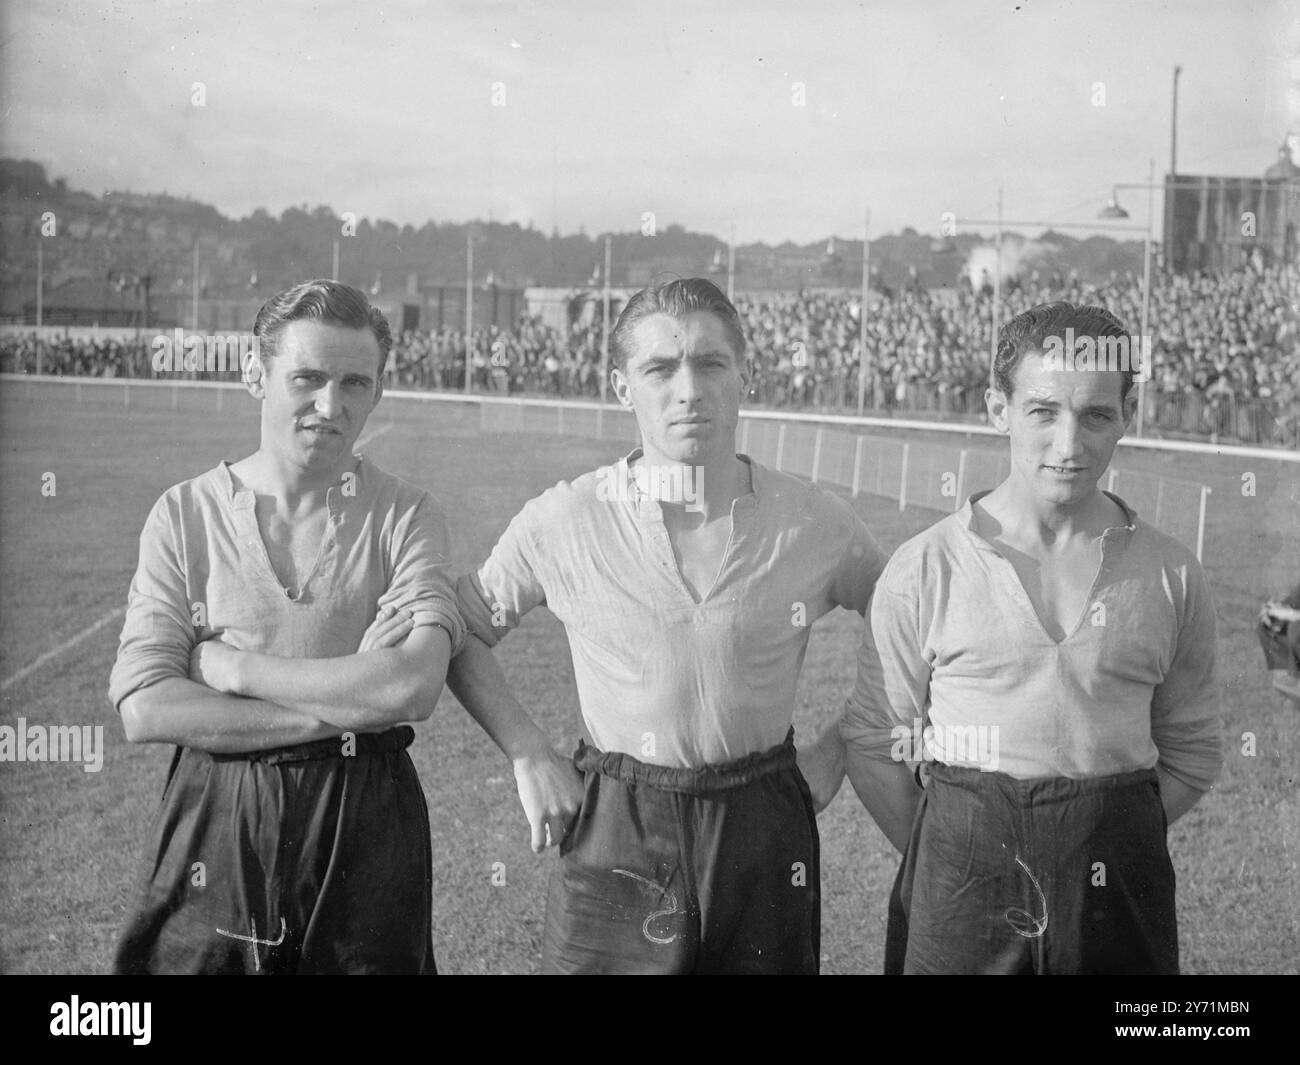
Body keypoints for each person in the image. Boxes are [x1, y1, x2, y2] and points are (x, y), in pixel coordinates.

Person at [447, 277, 884, 974]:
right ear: (623, 386)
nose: (689, 389)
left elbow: (910, 621)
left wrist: (846, 742)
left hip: (762, 818)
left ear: (747, 375)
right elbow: (460, 628)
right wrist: (528, 750)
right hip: (618, 823)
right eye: (660, 368)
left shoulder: (813, 520)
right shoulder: (566, 518)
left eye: (710, 363)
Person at [841, 301, 1224, 975]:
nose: (1069, 444)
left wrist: (1098, 843)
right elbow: (877, 745)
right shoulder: (927, 566)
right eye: (1043, 410)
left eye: (1096, 414)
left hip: (1114, 899)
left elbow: (1191, 751)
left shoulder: (1171, 574)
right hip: (959, 897)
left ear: (1126, 414)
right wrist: (959, 856)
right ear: (999, 408)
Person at [109, 280, 465, 974]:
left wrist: (235, 671)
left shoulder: (407, 516)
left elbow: (412, 689)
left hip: (366, 820)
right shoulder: (184, 514)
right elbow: (146, 705)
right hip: (219, 808)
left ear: (379, 392)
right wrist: (351, 704)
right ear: (254, 372)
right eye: (307, 377)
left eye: (354, 382)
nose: (331, 406)